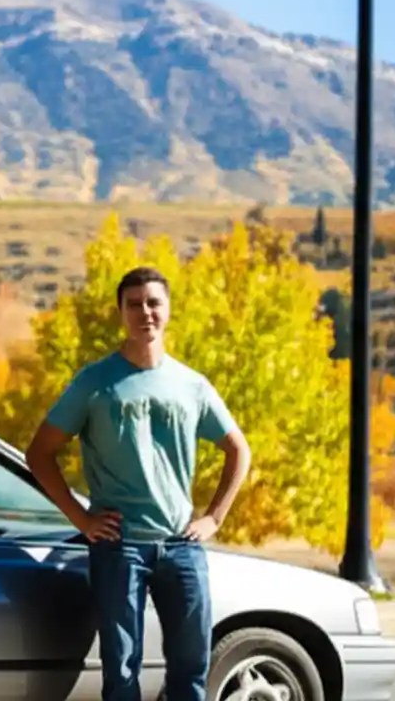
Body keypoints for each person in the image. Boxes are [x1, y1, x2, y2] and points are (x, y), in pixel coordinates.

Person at [25, 266, 251, 701]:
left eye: (153, 303)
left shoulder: (192, 385)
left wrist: (214, 518)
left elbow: (239, 449)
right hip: (119, 546)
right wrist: (81, 517)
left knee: (190, 670)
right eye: (134, 304)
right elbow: (39, 453)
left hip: (182, 546)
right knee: (122, 672)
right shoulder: (94, 383)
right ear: (120, 313)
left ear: (168, 310)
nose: (144, 312)